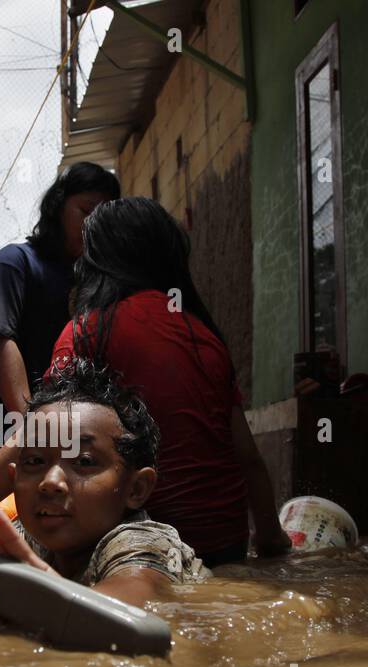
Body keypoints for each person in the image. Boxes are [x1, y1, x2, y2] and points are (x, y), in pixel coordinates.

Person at [50, 197, 290, 564]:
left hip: (137, 552)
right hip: (225, 546)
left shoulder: (86, 332)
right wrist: (273, 539)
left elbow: (45, 436)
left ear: (97, 262)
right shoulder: (205, 338)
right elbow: (250, 459)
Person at [0, 360, 206, 636]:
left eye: (84, 462)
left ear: (136, 489)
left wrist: (38, 610)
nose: (50, 482)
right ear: (14, 479)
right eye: (35, 462)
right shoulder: (29, 539)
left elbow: (130, 611)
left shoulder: (141, 541)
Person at [0, 162, 120, 420]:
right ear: (58, 207)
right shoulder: (14, 263)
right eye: (86, 211)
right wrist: (32, 427)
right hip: (21, 434)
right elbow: (1, 341)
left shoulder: (103, 279)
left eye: (103, 217)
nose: (93, 225)